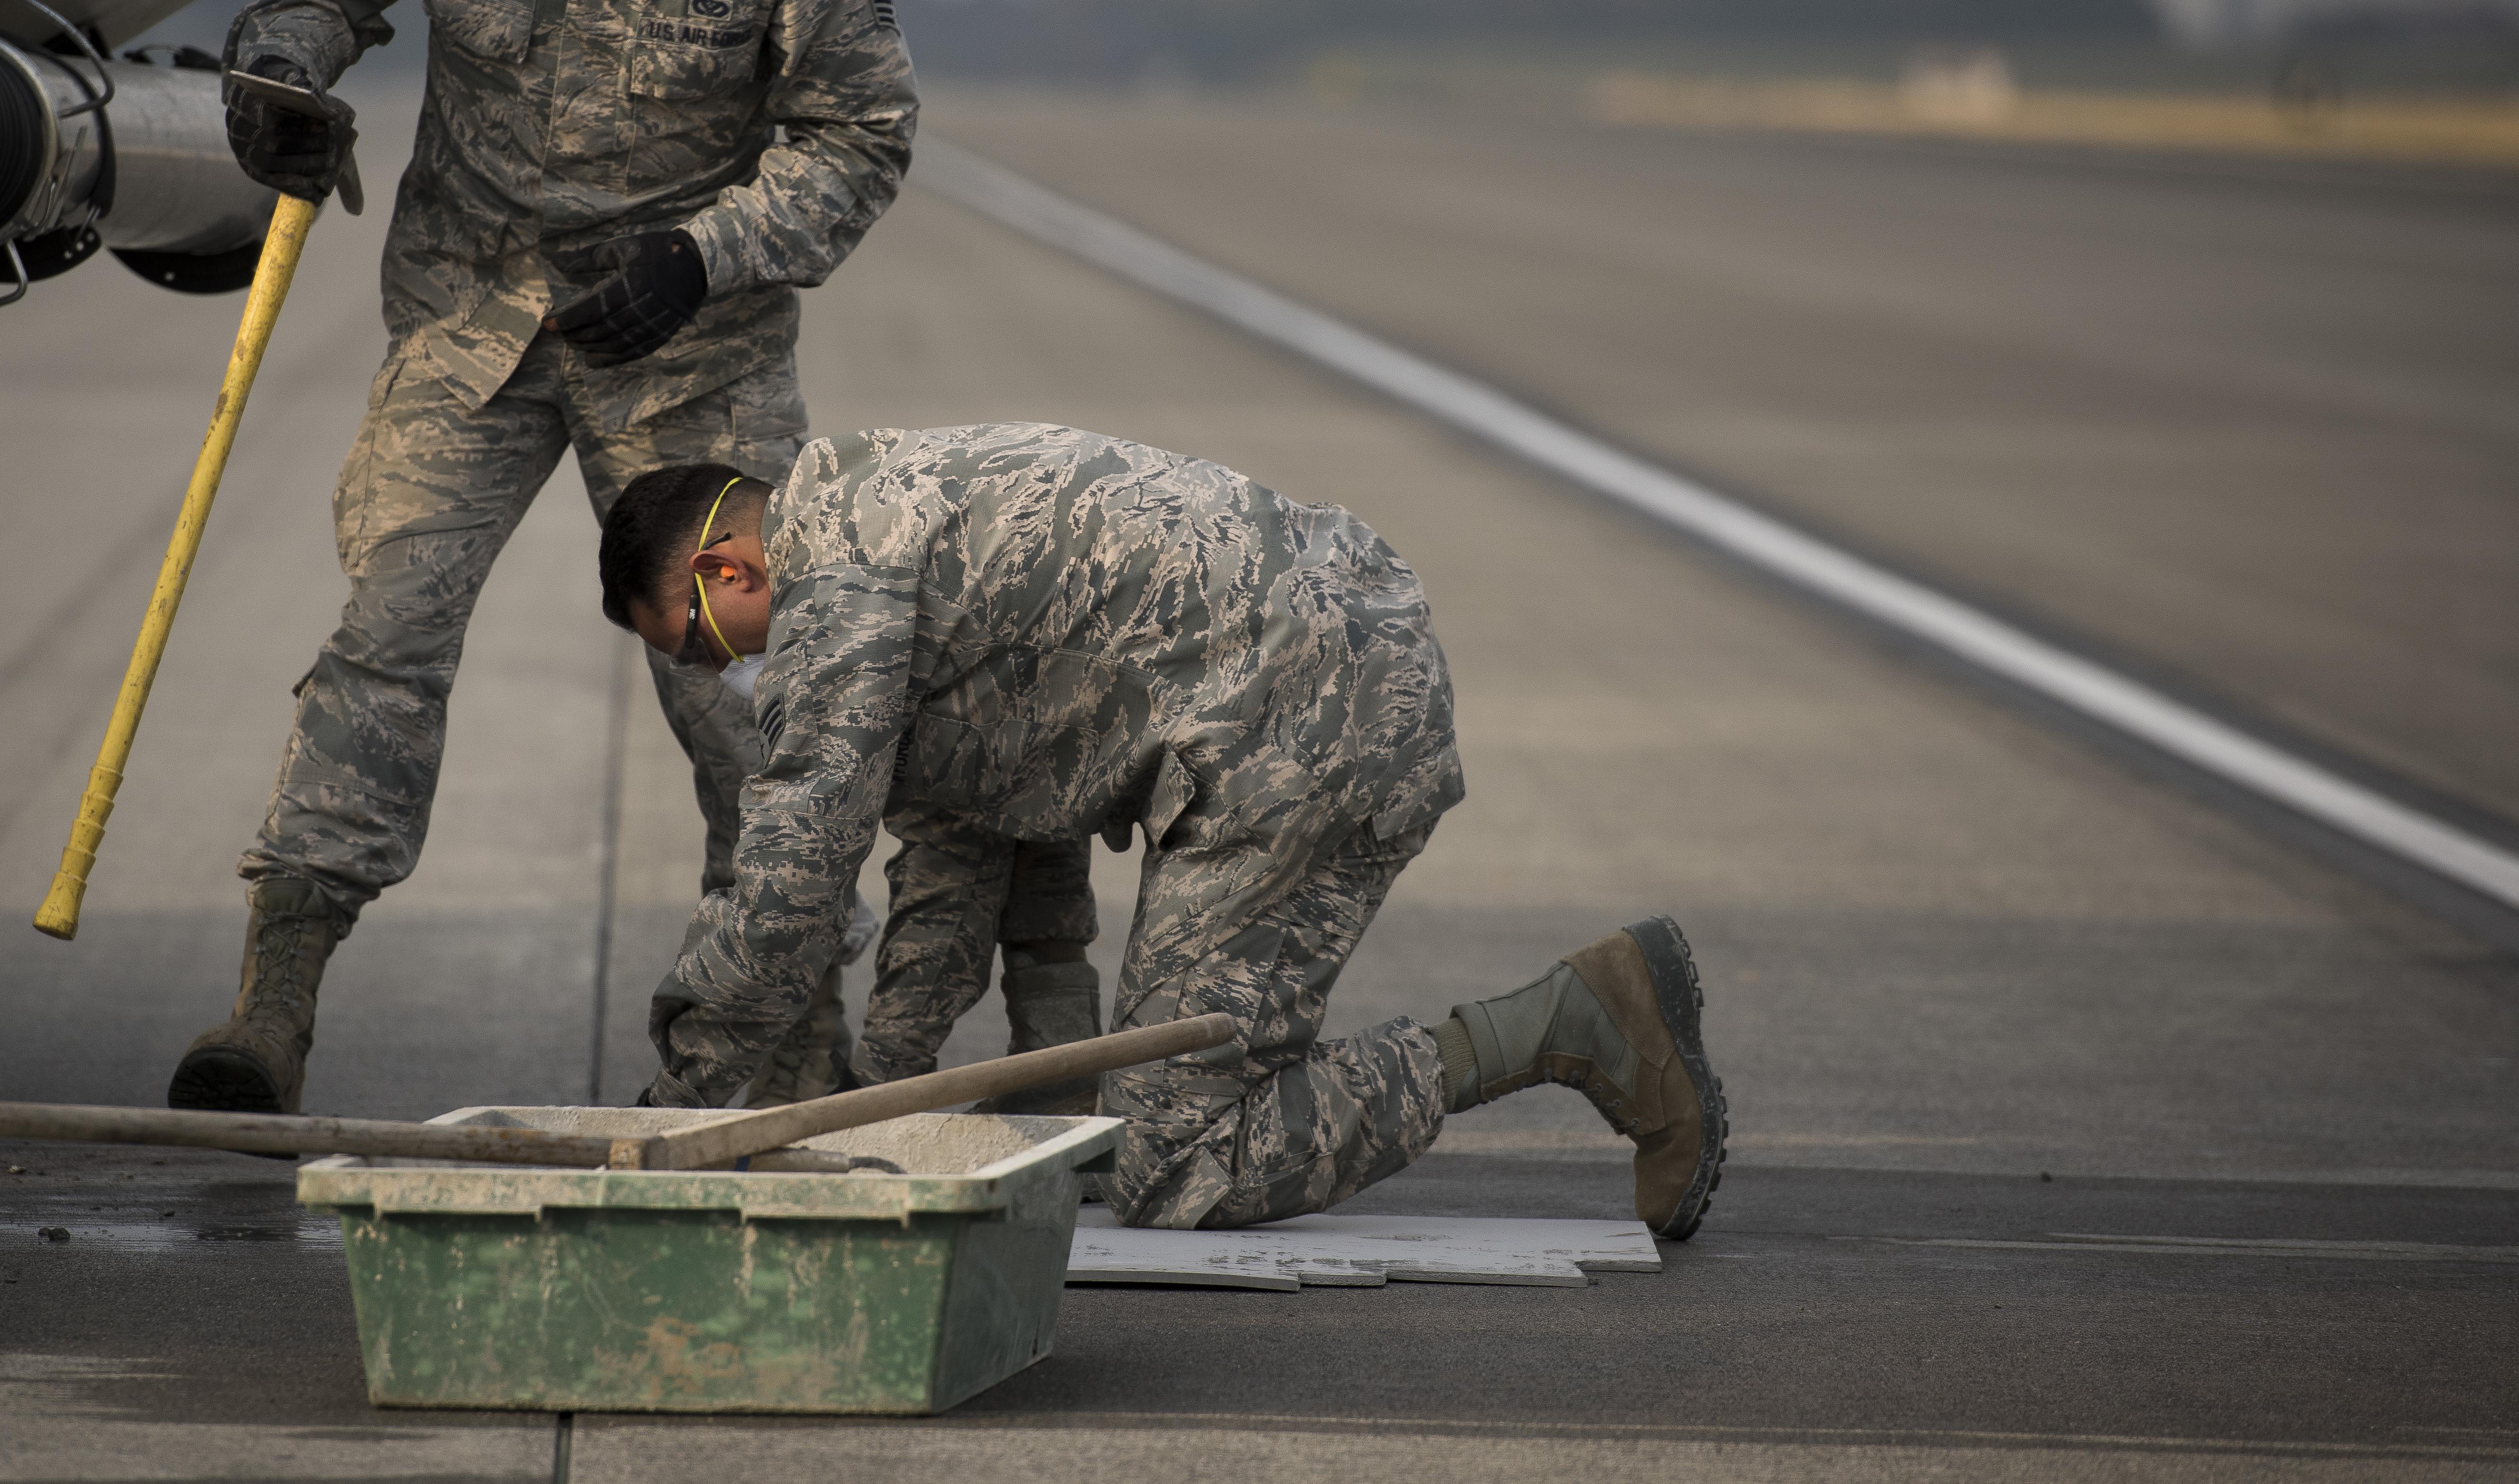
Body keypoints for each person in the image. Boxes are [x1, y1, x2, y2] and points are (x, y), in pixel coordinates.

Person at [167, 0, 1098, 1115]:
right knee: (384, 637)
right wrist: (280, 84)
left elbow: (862, 138)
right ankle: (271, 1005)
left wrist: (701, 256)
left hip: (688, 355)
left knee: (749, 700)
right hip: (472, 321)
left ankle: (782, 1043)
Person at [596, 425, 1728, 1235]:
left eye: (700, 645)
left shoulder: (831, 591)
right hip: (1316, 669)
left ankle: (1573, 1022)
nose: (724, 672)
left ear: (723, 568)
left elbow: (790, 892)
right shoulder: (884, 511)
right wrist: (883, 1104)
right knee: (1130, 1123)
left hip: (1306, 716)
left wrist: (668, 1120)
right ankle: (1074, 1115)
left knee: (1177, 1161)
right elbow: (964, 848)